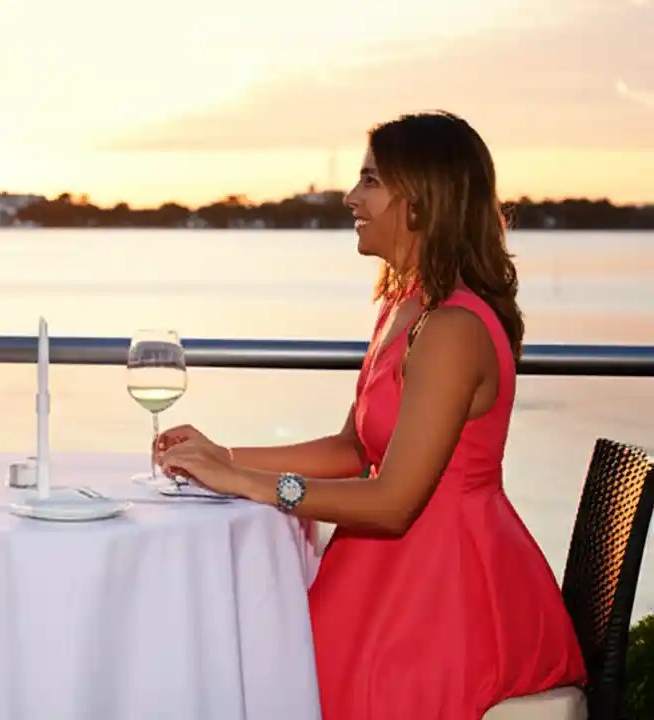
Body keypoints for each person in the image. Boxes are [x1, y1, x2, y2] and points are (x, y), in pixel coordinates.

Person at [157, 111, 586, 719]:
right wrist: (221, 457)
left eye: (370, 181)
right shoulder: (407, 304)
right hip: (390, 562)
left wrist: (250, 484)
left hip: (445, 585)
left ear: (419, 201)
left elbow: (391, 503)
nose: (350, 196)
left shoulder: (453, 328)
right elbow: (354, 450)